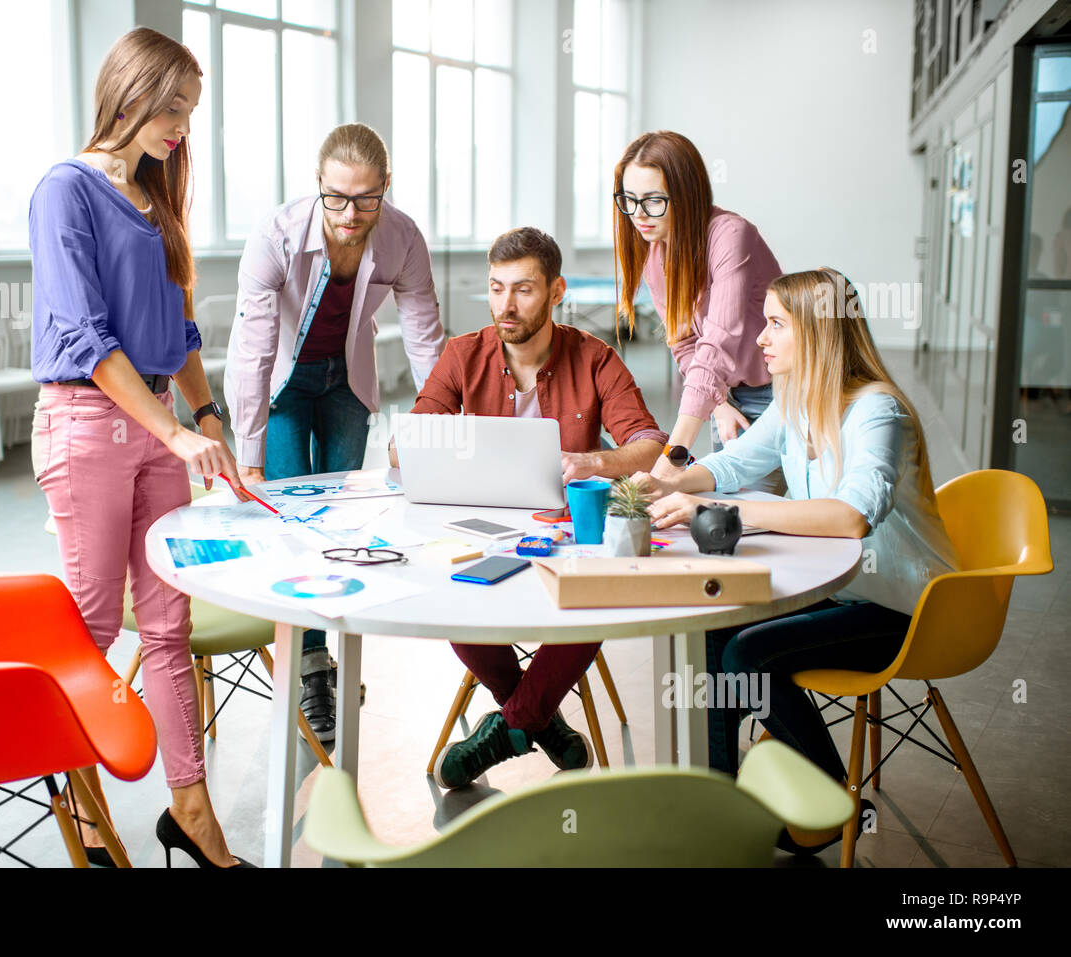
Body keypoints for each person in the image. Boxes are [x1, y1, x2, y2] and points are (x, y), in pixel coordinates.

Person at [634, 267, 959, 851]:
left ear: (819, 334)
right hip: (839, 592)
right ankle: (719, 801)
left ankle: (830, 800)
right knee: (716, 633)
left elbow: (850, 516)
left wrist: (733, 512)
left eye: (776, 325)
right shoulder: (797, 401)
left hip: (904, 607)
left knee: (747, 652)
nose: (760, 340)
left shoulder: (876, 412)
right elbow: (735, 464)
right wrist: (664, 485)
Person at [30, 27, 251, 868]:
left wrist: (207, 420)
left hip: (160, 425)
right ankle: (85, 813)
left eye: (192, 113)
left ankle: (191, 812)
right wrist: (168, 430)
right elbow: (87, 337)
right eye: (173, 107)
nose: (182, 128)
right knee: (88, 624)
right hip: (87, 426)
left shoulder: (157, 200)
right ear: (131, 89)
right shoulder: (66, 190)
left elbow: (178, 331)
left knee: (167, 626)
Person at [395, 226, 667, 789]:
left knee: (593, 601)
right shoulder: (462, 354)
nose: (506, 304)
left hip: (566, 533)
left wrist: (596, 462)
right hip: (479, 530)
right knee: (450, 600)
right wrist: (434, 441)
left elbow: (647, 443)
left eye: (522, 289)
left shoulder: (595, 357)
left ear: (556, 290)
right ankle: (536, 720)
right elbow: (406, 444)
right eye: (497, 288)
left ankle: (511, 728)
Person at [224, 123, 446, 741]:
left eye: (367, 199)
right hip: (285, 383)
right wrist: (248, 452)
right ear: (318, 185)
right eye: (337, 198)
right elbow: (253, 346)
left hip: (349, 380)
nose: (350, 214)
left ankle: (333, 650)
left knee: (345, 523)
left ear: (386, 188)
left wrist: (431, 431)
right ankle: (312, 667)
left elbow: (427, 340)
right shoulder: (275, 236)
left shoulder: (403, 239)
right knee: (295, 519)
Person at [612, 130, 784, 482]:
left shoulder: (732, 236)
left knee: (760, 513)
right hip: (728, 394)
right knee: (733, 513)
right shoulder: (655, 252)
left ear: (687, 195)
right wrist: (719, 406)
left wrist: (670, 462)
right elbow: (685, 343)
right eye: (628, 199)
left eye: (654, 200)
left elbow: (718, 344)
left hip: (781, 391)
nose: (638, 215)